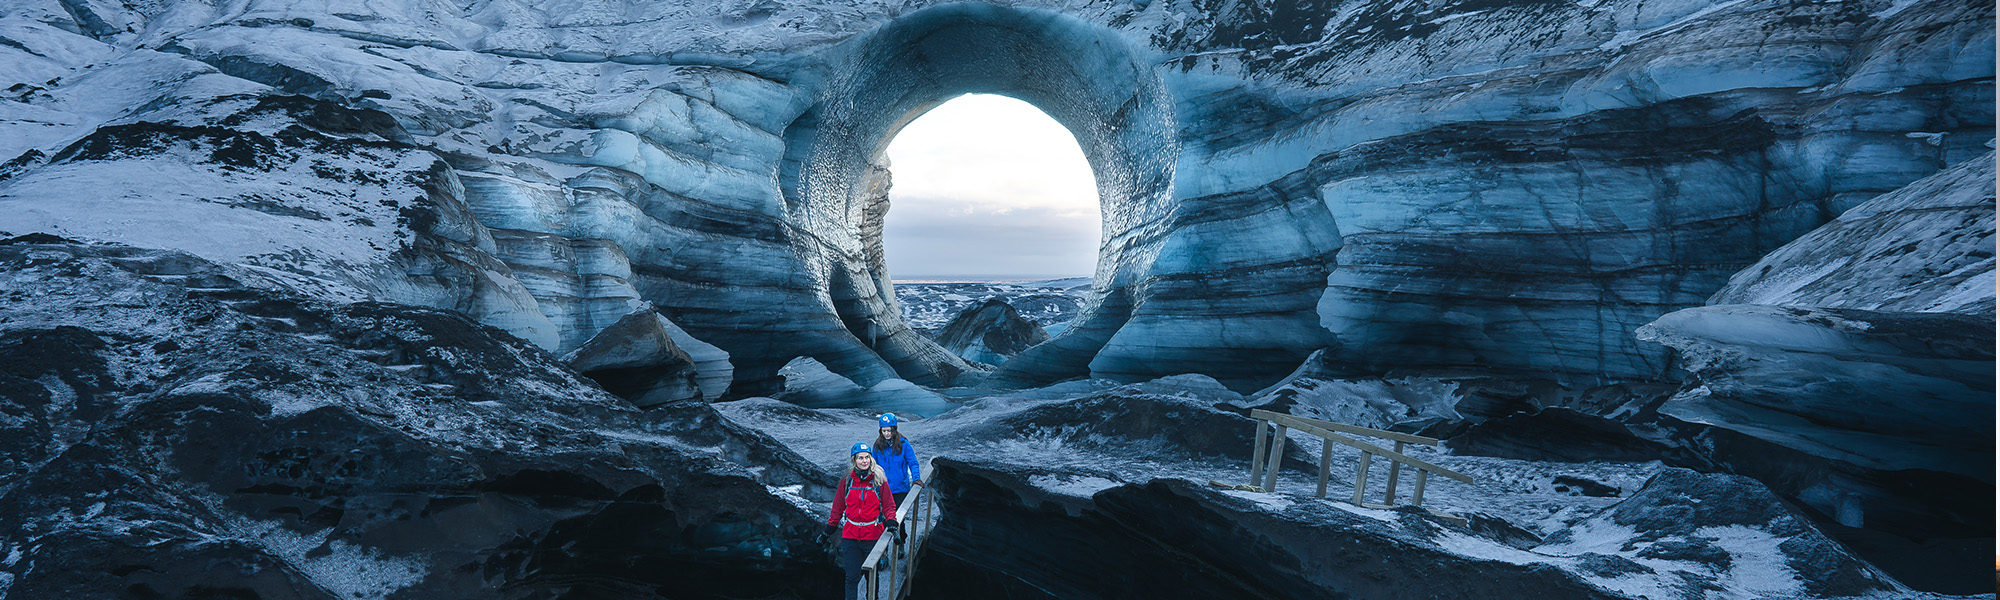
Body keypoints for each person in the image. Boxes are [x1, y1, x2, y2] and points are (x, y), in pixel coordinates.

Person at [830, 442, 898, 600]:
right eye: (860, 458)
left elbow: (889, 505)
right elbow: (838, 506)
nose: (864, 461)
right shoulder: (847, 481)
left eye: (867, 457)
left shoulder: (879, 480)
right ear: (854, 460)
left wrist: (892, 523)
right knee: (852, 577)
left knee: (871, 576)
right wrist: (830, 528)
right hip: (850, 536)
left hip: (872, 534)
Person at [873, 413, 923, 507]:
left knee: (899, 518)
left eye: (889, 430)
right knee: (885, 518)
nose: (886, 433)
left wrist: (916, 478)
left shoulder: (904, 444)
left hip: (900, 489)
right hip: (883, 488)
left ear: (894, 430)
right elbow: (873, 465)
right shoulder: (877, 446)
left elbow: (913, 462)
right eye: (884, 431)